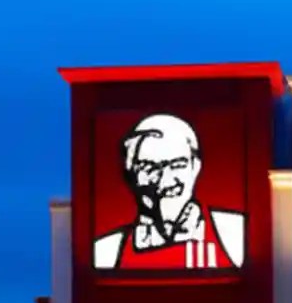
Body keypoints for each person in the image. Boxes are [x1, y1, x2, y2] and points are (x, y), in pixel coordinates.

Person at [93, 114, 244, 270]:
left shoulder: (235, 234)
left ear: (195, 167)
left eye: (177, 165)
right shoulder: (106, 253)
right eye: (148, 168)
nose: (165, 181)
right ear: (132, 175)